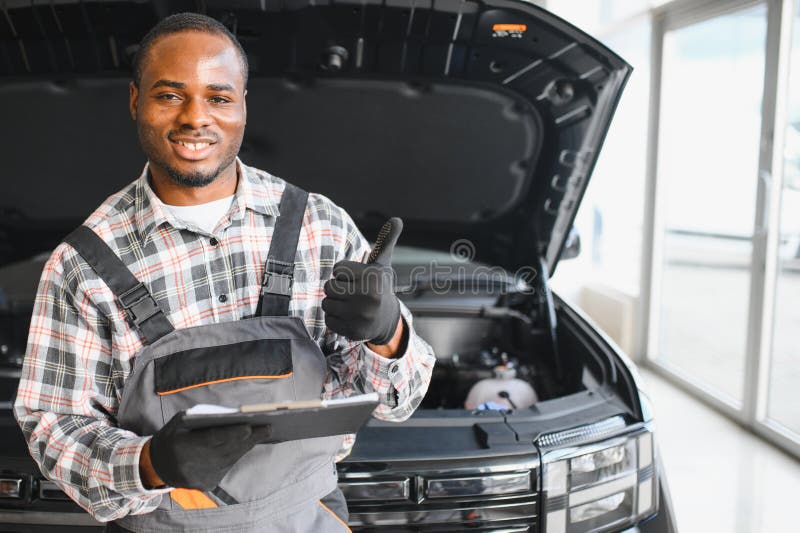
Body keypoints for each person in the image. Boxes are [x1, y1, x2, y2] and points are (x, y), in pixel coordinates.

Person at [13, 12, 435, 533]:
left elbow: (397, 405)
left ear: (242, 106)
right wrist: (149, 463)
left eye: (218, 97)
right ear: (135, 101)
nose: (196, 117)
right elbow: (53, 428)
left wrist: (388, 336)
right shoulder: (82, 266)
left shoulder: (320, 228)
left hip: (309, 518)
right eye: (170, 95)